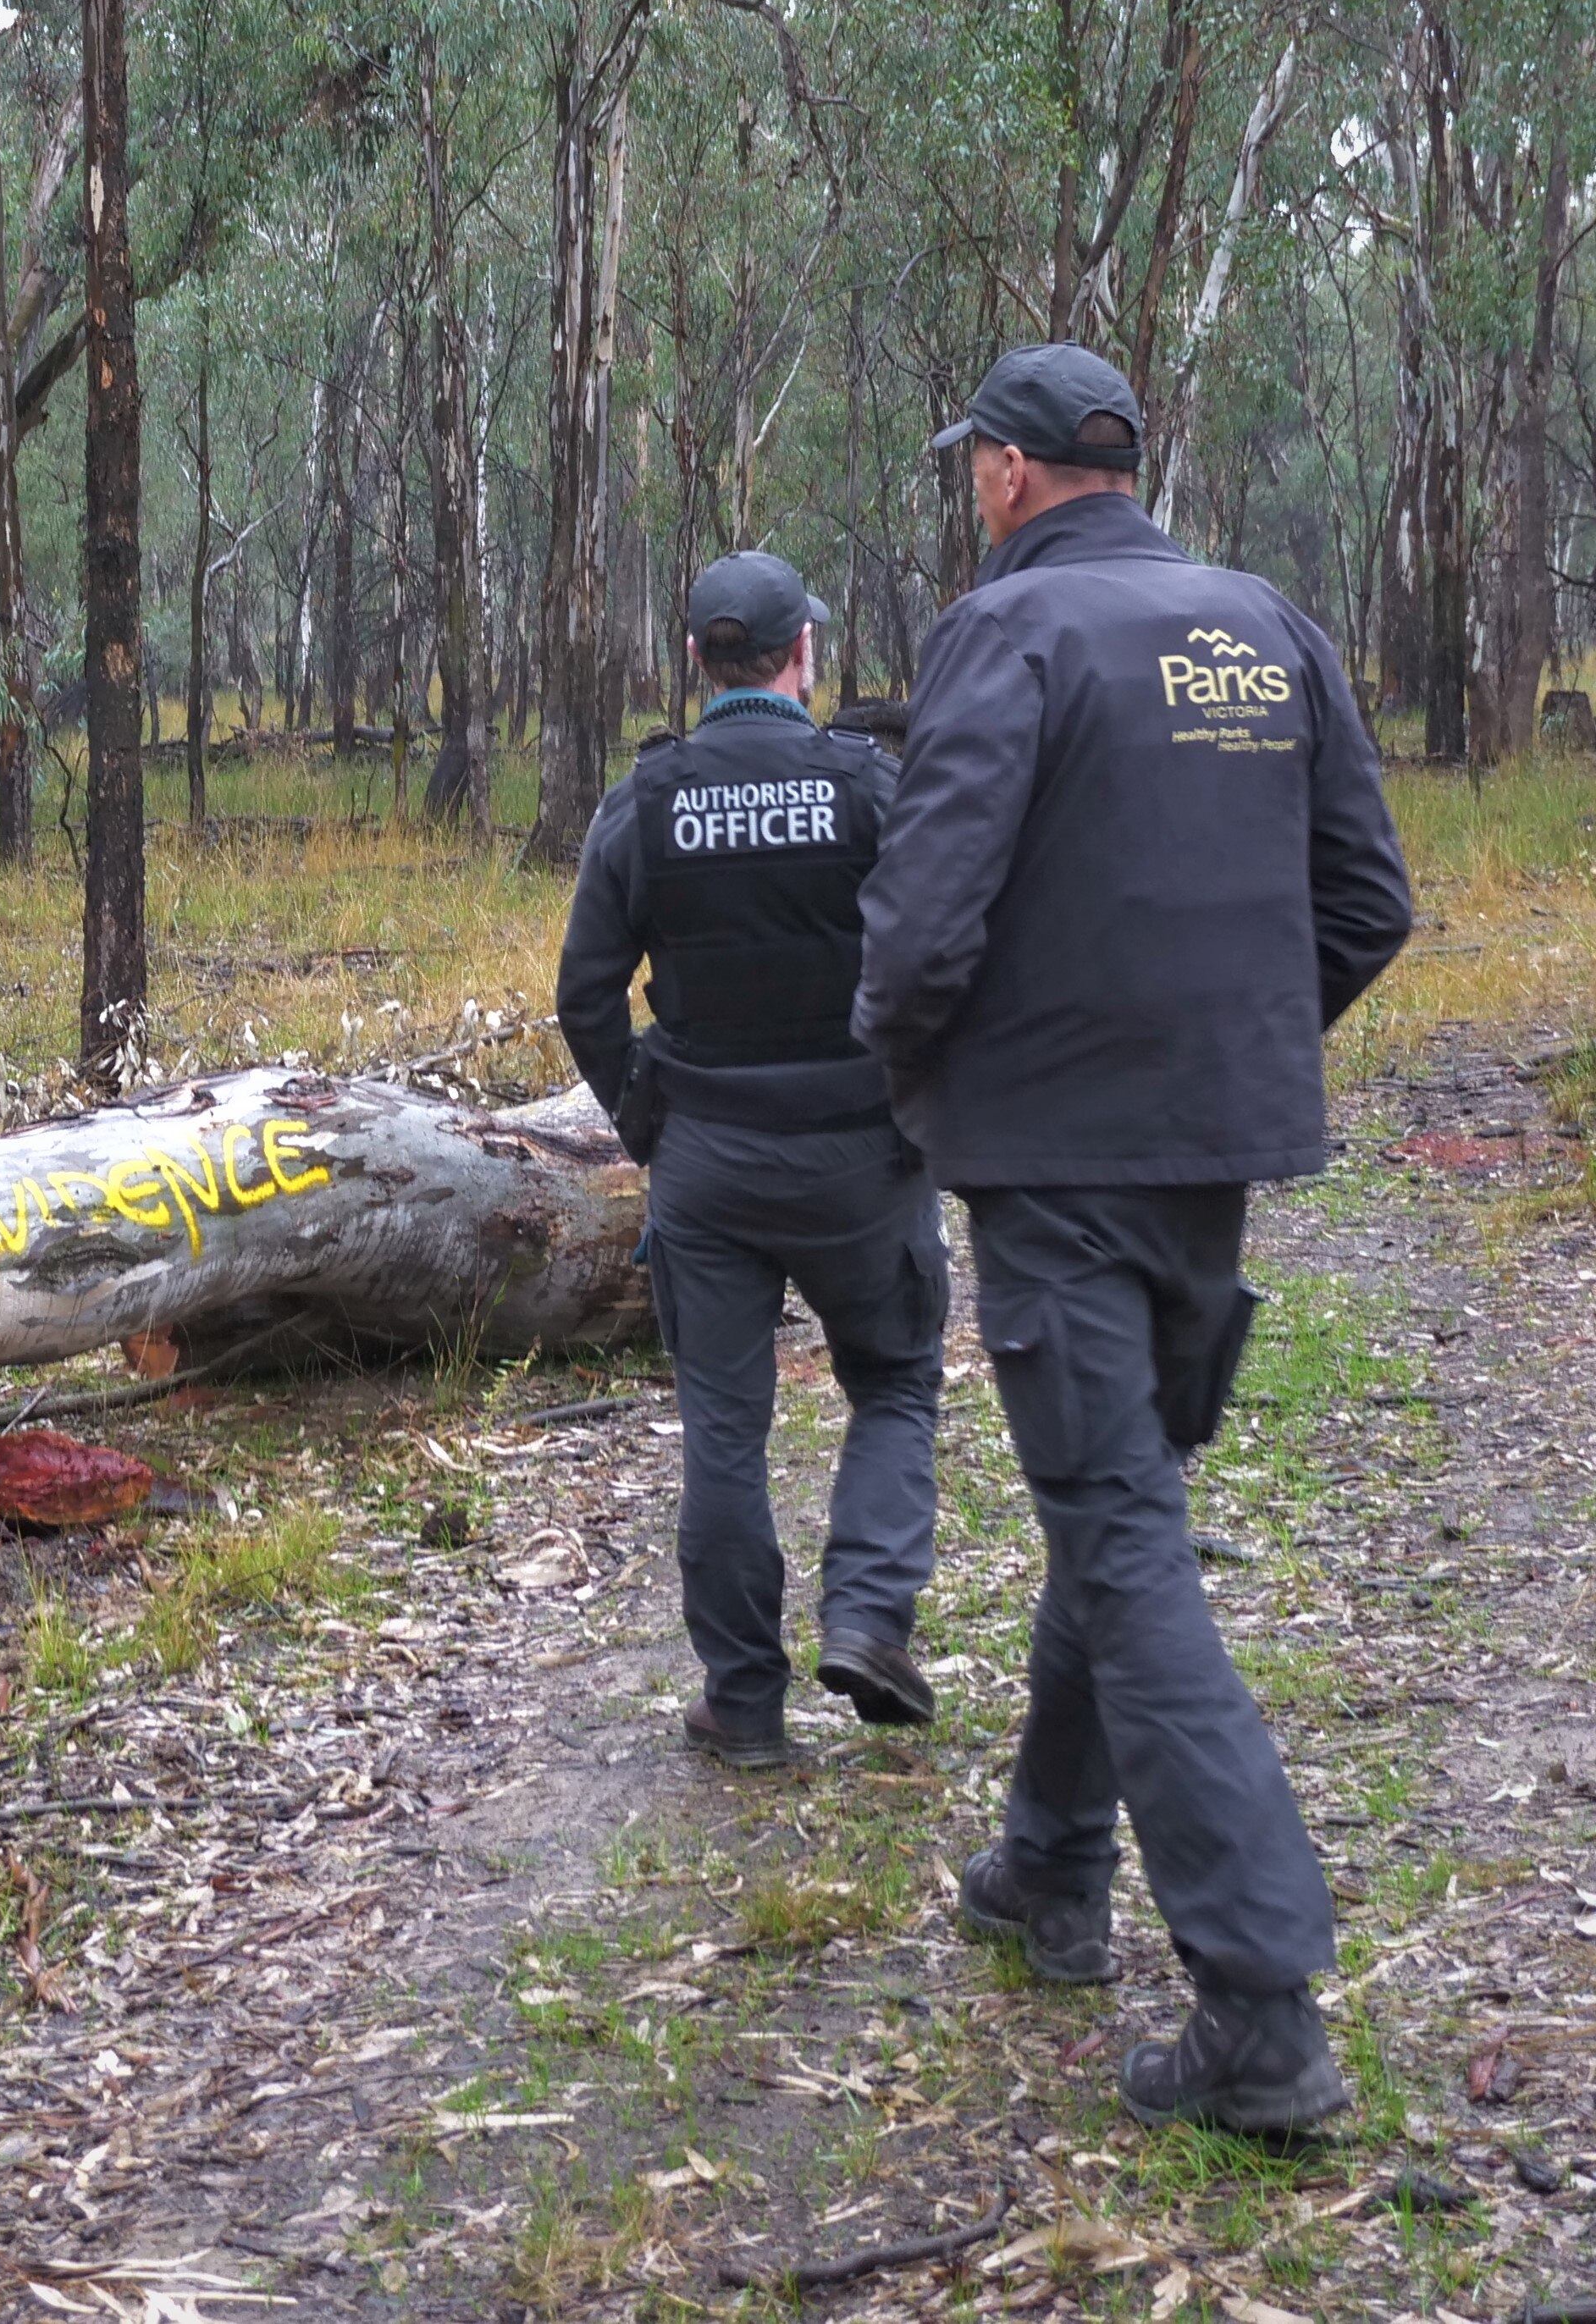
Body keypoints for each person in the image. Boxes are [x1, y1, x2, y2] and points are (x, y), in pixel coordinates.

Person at [856, 344, 1412, 2134]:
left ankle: (1259, 2007)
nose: (972, 484)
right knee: (1120, 1509)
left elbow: (921, 929)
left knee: (1121, 1537)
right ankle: (1050, 1859)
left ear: (1011, 473)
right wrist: (1225, 1048)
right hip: (1204, 1162)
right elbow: (1366, 901)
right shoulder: (1263, 623)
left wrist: (915, 1077)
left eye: (973, 462)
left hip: (1058, 1168)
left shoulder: (1004, 632)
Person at [557, 550, 951, 1773]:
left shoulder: (647, 801)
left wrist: (647, 1119)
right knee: (895, 1382)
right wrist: (920, 1099)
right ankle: (869, 1617)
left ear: (696, 658)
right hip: (861, 1155)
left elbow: (585, 993)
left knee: (724, 1430)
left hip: (711, 1162)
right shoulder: (869, 786)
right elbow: (944, 956)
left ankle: (743, 1702)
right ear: (803, 655)